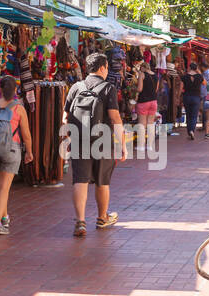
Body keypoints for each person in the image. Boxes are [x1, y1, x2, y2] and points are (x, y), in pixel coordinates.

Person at [64, 52, 123, 237]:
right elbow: (115, 117)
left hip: (79, 139)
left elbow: (65, 116)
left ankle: (80, 222)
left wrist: (67, 138)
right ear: (102, 68)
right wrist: (122, 145)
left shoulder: (76, 87)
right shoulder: (108, 88)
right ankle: (102, 217)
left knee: (80, 180)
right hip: (102, 141)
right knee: (102, 181)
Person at [0, 75, 34, 235]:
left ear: (0, 89)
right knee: (4, 187)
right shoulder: (19, 108)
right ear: (15, 90)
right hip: (11, 149)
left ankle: (4, 217)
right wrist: (29, 152)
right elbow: (27, 134)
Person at [134, 60, 158, 147]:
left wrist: (134, 90)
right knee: (150, 123)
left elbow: (140, 89)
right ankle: (150, 145)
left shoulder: (142, 74)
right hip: (153, 102)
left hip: (143, 102)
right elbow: (156, 90)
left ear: (143, 68)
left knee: (142, 124)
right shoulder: (155, 76)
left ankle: (141, 146)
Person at [181, 62, 204, 139]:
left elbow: (181, 88)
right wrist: (199, 72)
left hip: (187, 97)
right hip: (196, 97)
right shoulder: (199, 77)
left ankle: (189, 131)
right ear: (196, 68)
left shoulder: (184, 77)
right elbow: (205, 83)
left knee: (188, 115)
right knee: (194, 115)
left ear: (190, 68)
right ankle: (192, 131)